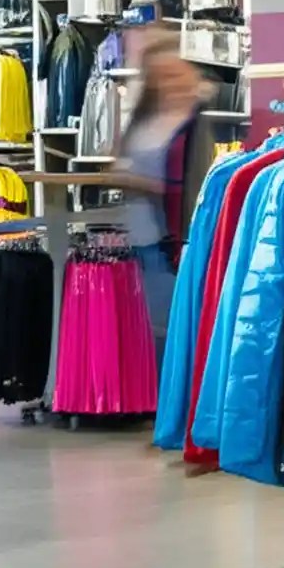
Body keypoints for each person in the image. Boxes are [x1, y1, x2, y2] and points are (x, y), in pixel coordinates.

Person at [114, 32, 207, 355]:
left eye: (174, 73)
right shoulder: (146, 119)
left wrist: (141, 182)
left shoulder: (194, 124)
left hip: (168, 241)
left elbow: (196, 184)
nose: (170, 82)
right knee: (146, 334)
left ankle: (167, 405)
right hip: (136, 236)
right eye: (161, 76)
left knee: (167, 334)